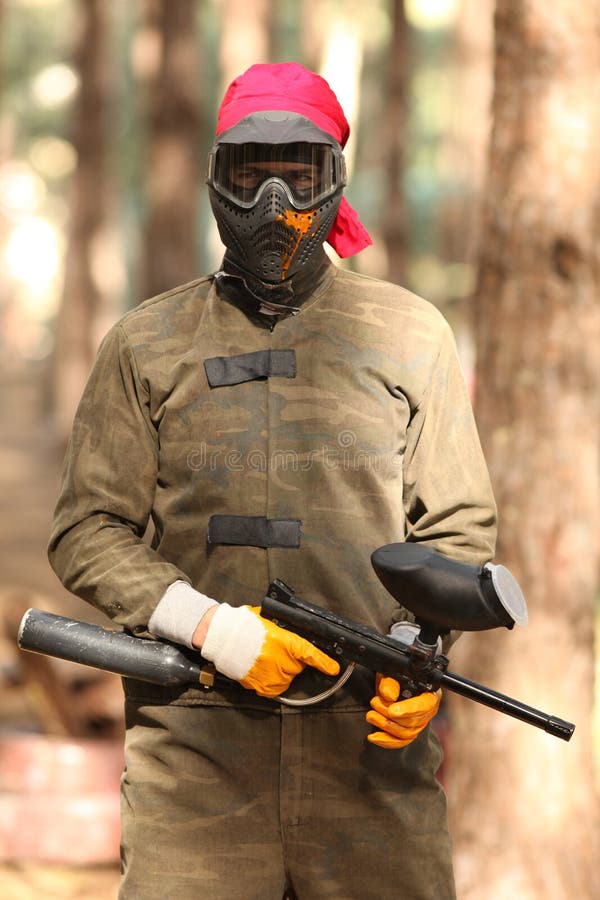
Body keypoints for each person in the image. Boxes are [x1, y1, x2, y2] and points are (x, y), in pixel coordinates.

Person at [48, 62, 496, 900]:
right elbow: (87, 530)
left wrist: (421, 653)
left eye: (299, 171)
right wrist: (215, 630)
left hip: (369, 762)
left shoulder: (410, 334)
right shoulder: (147, 342)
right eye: (249, 174)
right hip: (197, 762)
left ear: (335, 178)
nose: (272, 200)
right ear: (218, 179)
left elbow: (457, 532)